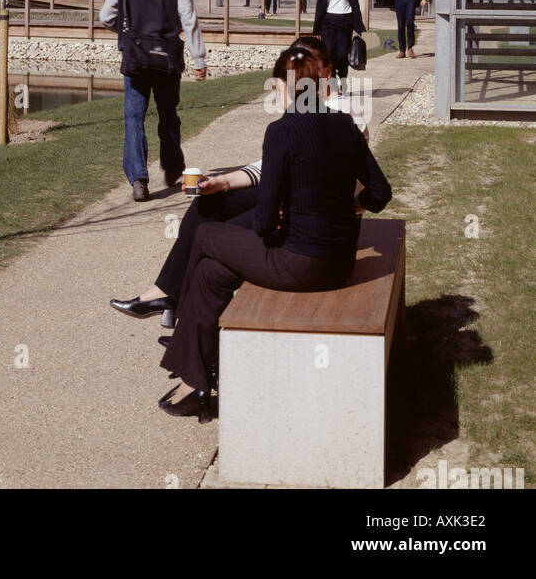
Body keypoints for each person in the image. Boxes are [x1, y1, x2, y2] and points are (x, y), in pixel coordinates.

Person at [157, 43, 392, 418]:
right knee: (211, 272)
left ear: (286, 87)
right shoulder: (345, 126)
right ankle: (194, 380)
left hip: (301, 265)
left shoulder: (282, 131)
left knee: (206, 236)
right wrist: (336, 211)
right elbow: (380, 194)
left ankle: (189, 354)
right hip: (340, 262)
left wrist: (274, 234)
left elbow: (265, 222)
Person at [109, 36, 366, 326]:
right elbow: (271, 167)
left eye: (306, 66)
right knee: (208, 203)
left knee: (216, 236)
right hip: (289, 197)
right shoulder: (302, 107)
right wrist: (219, 183)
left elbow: (352, 186)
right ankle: (166, 293)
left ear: (326, 73)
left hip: (310, 218)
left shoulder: (345, 113)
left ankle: (190, 328)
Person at [100, 0, 208, 202]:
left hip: (135, 56)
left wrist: (124, 33)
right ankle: (172, 166)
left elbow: (106, 15)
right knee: (168, 114)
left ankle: (138, 179)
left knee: (134, 118)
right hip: (167, 57)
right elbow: (189, 19)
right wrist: (199, 60)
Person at [312, 0, 366, 93]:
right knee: (329, 54)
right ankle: (334, 83)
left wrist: (358, 26)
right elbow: (320, 5)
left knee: (342, 54)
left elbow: (355, 4)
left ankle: (343, 78)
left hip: (345, 22)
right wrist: (316, 29)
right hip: (328, 22)